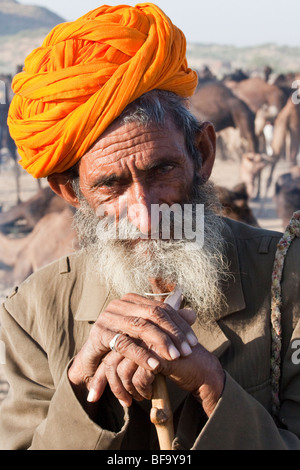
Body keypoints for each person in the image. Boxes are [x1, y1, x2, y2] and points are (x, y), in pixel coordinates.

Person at [0, 3, 300, 451]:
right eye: (110, 185)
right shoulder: (34, 315)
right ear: (69, 192)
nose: (144, 213)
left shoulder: (290, 279)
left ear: (203, 153)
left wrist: (214, 387)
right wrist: (82, 395)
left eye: (162, 170)